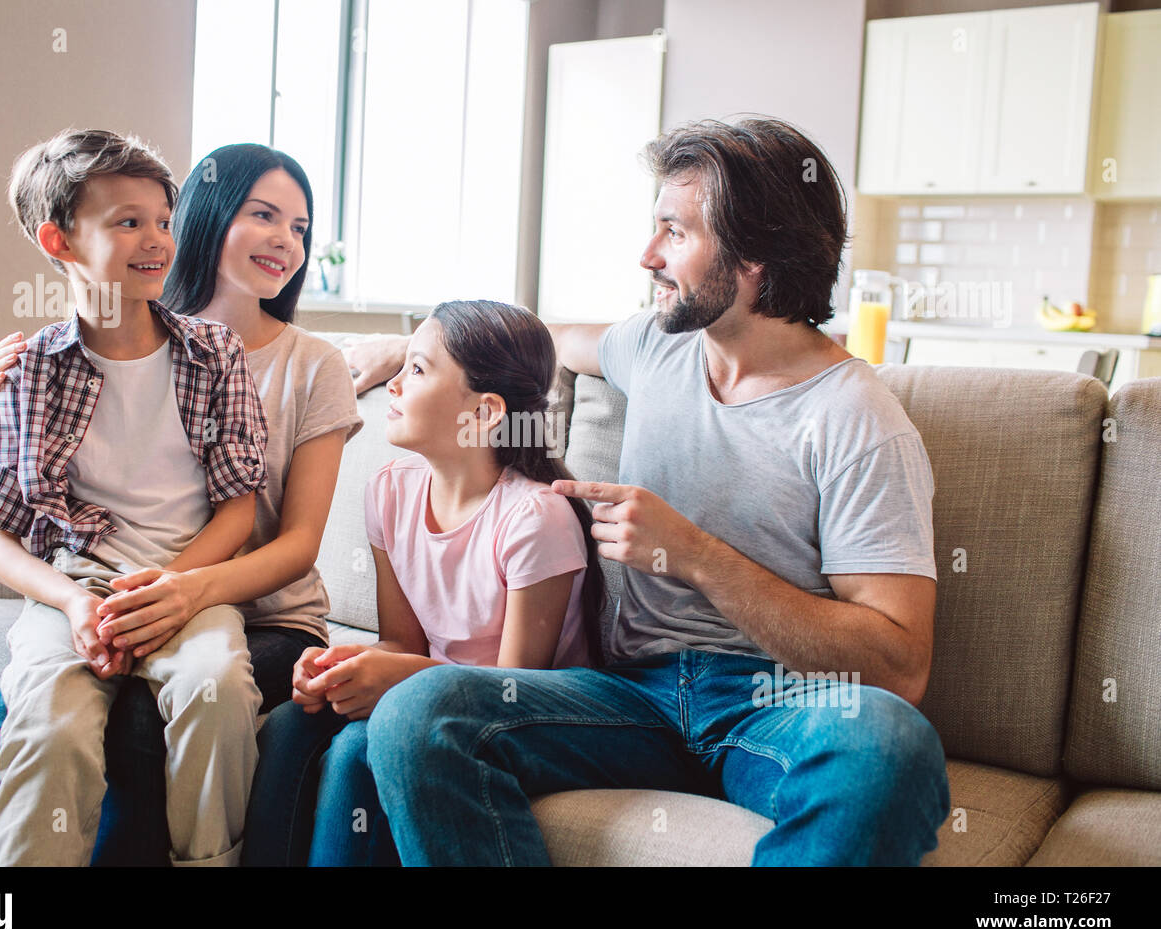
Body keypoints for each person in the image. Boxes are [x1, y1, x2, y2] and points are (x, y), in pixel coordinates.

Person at [345, 117, 951, 866]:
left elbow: (898, 667)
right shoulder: (655, 345)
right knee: (419, 711)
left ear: (754, 255)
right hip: (629, 697)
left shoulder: (854, 418)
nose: (648, 255)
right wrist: (401, 349)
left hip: (774, 707)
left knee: (889, 746)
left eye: (675, 231)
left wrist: (695, 555)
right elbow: (540, 337)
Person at [0, 141, 362, 865]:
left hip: (246, 610)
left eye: (300, 227)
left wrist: (178, 589)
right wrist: (11, 401)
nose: (285, 241)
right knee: (27, 716)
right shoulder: (64, 355)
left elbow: (290, 541)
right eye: (263, 214)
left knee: (169, 710)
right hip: (99, 591)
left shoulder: (281, 362)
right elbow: (5, 524)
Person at [243, 300, 604, 866]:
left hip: (511, 715)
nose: (393, 385)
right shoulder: (390, 490)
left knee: (356, 752)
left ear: (484, 412)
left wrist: (396, 675)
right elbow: (402, 644)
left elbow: (511, 692)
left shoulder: (536, 518)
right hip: (428, 690)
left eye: (417, 368)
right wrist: (342, 665)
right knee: (292, 723)